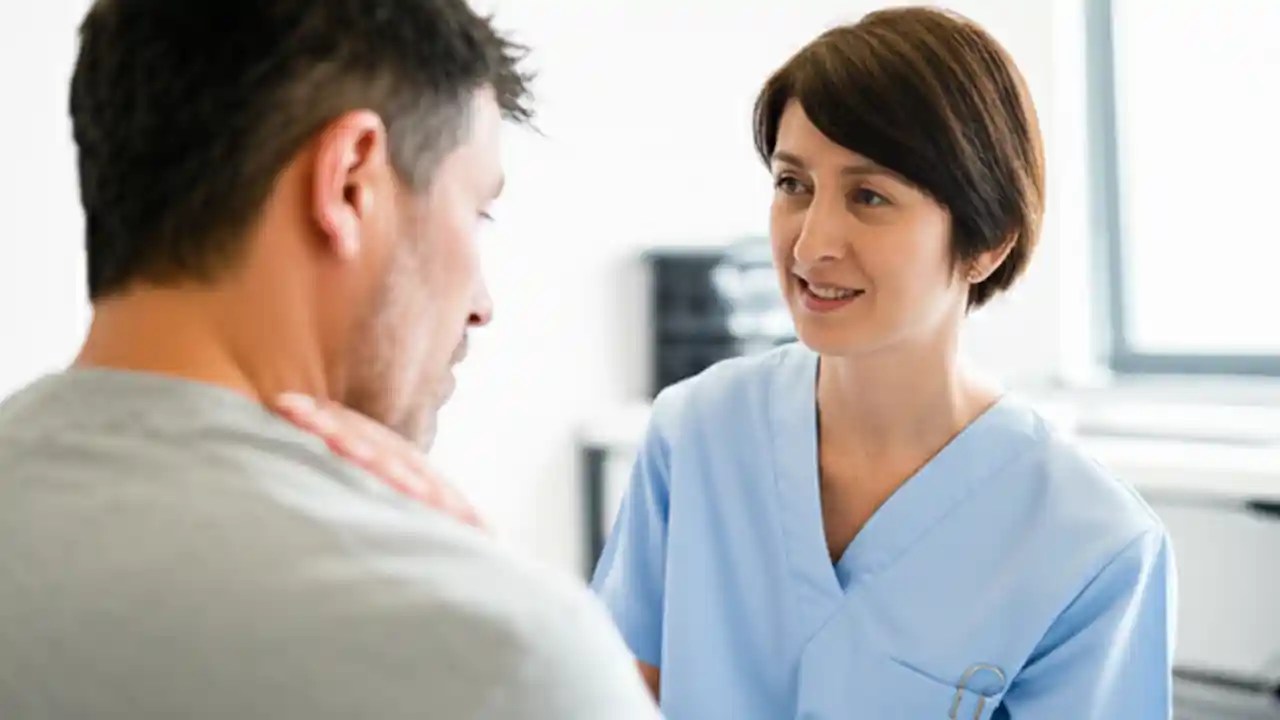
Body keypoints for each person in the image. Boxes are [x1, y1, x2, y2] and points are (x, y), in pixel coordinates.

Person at [0, 1, 657, 718]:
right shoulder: (494, 650)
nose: (481, 303)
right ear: (349, 183)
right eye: (476, 212)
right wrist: (499, 603)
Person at [588, 7, 1176, 720]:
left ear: (988, 241)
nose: (811, 246)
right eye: (793, 185)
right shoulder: (695, 434)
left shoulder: (1094, 546)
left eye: (869, 197)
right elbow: (616, 692)